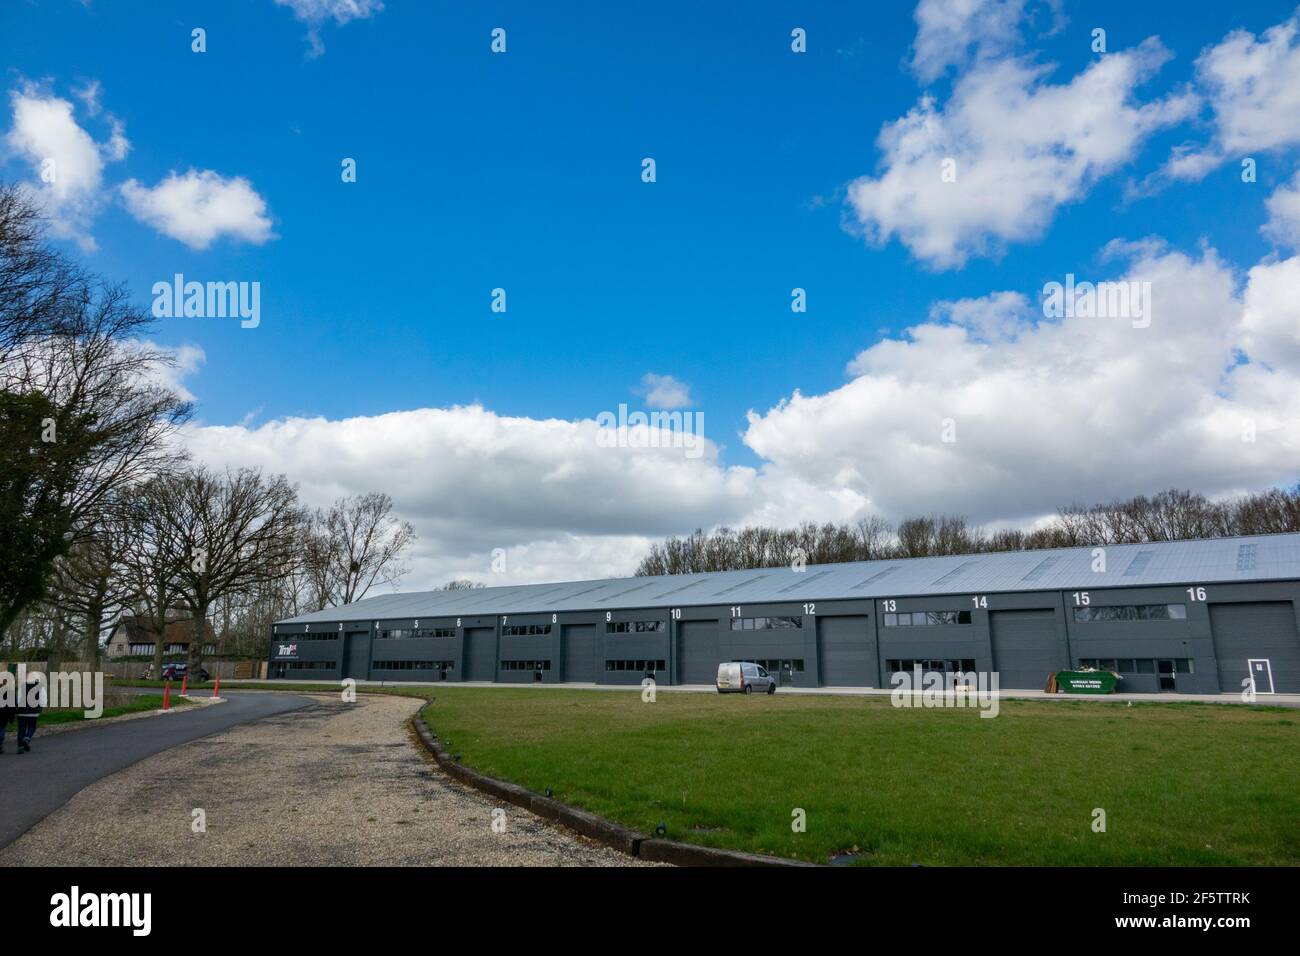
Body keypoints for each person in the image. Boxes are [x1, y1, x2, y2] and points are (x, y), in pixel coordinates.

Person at [15, 676, 44, 753]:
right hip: (33, 712)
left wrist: (17, 707)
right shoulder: (40, 687)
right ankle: (27, 738)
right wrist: (40, 708)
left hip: (21, 712)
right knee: (32, 727)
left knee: (21, 729)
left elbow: (18, 698)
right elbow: (42, 699)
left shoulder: (22, 686)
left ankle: (20, 747)